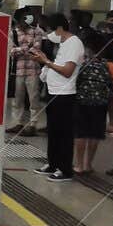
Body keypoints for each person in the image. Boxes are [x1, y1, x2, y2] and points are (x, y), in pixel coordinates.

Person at [30, 14, 84, 180]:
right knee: (53, 132)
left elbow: (67, 72)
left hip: (65, 95)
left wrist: (46, 62)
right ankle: (53, 163)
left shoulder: (74, 43)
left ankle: (65, 169)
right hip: (53, 92)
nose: (49, 34)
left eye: (50, 30)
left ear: (60, 28)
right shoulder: (63, 44)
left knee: (64, 134)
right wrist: (45, 60)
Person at [73, 27, 113, 174]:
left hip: (83, 102)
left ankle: (78, 164)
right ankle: (88, 164)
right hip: (101, 103)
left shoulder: (82, 64)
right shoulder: (107, 65)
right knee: (95, 133)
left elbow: (75, 82)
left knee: (81, 133)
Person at [8, 6, 45, 132]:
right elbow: (11, 51)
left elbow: (36, 49)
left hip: (33, 70)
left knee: (34, 98)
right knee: (17, 98)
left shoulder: (36, 31)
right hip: (17, 70)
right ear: (18, 19)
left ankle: (33, 124)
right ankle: (18, 123)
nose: (28, 19)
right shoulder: (13, 32)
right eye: (25, 17)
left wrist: (20, 49)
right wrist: (26, 48)